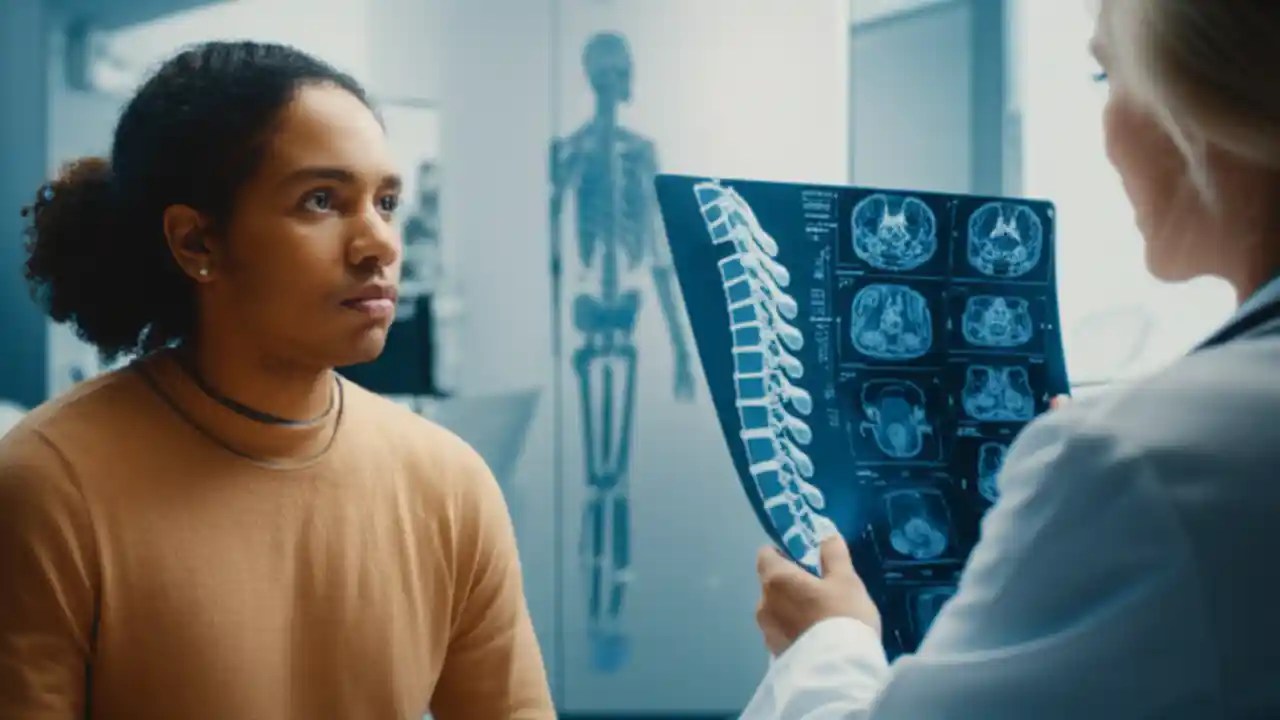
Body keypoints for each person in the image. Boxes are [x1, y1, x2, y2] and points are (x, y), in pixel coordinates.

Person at [745, 1, 1280, 718]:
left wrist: (825, 643)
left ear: (1199, 95)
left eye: (1105, 75)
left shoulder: (1132, 464)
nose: (1106, 135)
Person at [0, 41, 555, 719]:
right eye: (322, 200)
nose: (377, 241)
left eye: (385, 201)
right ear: (197, 242)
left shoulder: (449, 484)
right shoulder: (52, 485)